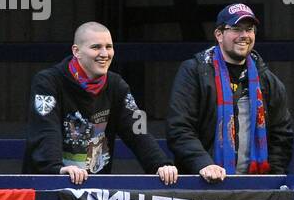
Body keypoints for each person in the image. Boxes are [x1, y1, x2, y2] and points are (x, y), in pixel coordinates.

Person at [23, 22, 178, 185]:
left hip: (95, 189)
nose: (105, 54)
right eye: (96, 47)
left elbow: (138, 129)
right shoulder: (48, 81)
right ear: (76, 51)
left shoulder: (117, 85)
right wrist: (57, 169)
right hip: (47, 183)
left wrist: (160, 164)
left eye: (109, 47)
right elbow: (46, 129)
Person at [166, 3, 294, 180]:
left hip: (256, 189)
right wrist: (203, 164)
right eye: (236, 29)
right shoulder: (195, 71)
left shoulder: (268, 80)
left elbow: (282, 136)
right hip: (203, 186)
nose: (244, 36)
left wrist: (271, 180)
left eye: (249, 29)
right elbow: (179, 128)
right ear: (219, 34)